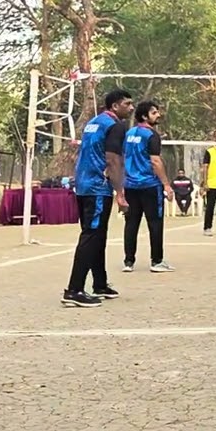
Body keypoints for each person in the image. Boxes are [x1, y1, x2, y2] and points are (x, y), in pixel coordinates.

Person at [63, 89, 133, 308]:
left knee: (98, 235)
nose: (131, 108)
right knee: (91, 236)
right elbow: (113, 159)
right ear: (115, 106)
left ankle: (99, 283)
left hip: (83, 185)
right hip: (97, 188)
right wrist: (120, 193)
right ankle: (74, 290)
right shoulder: (116, 126)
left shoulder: (94, 122)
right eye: (127, 104)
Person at [122, 100, 174, 273]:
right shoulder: (151, 135)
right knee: (155, 222)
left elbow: (122, 158)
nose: (158, 115)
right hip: (149, 185)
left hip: (130, 186)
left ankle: (128, 262)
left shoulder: (129, 134)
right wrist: (166, 184)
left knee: (131, 223)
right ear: (144, 116)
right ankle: (156, 261)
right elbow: (155, 161)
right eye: (154, 112)